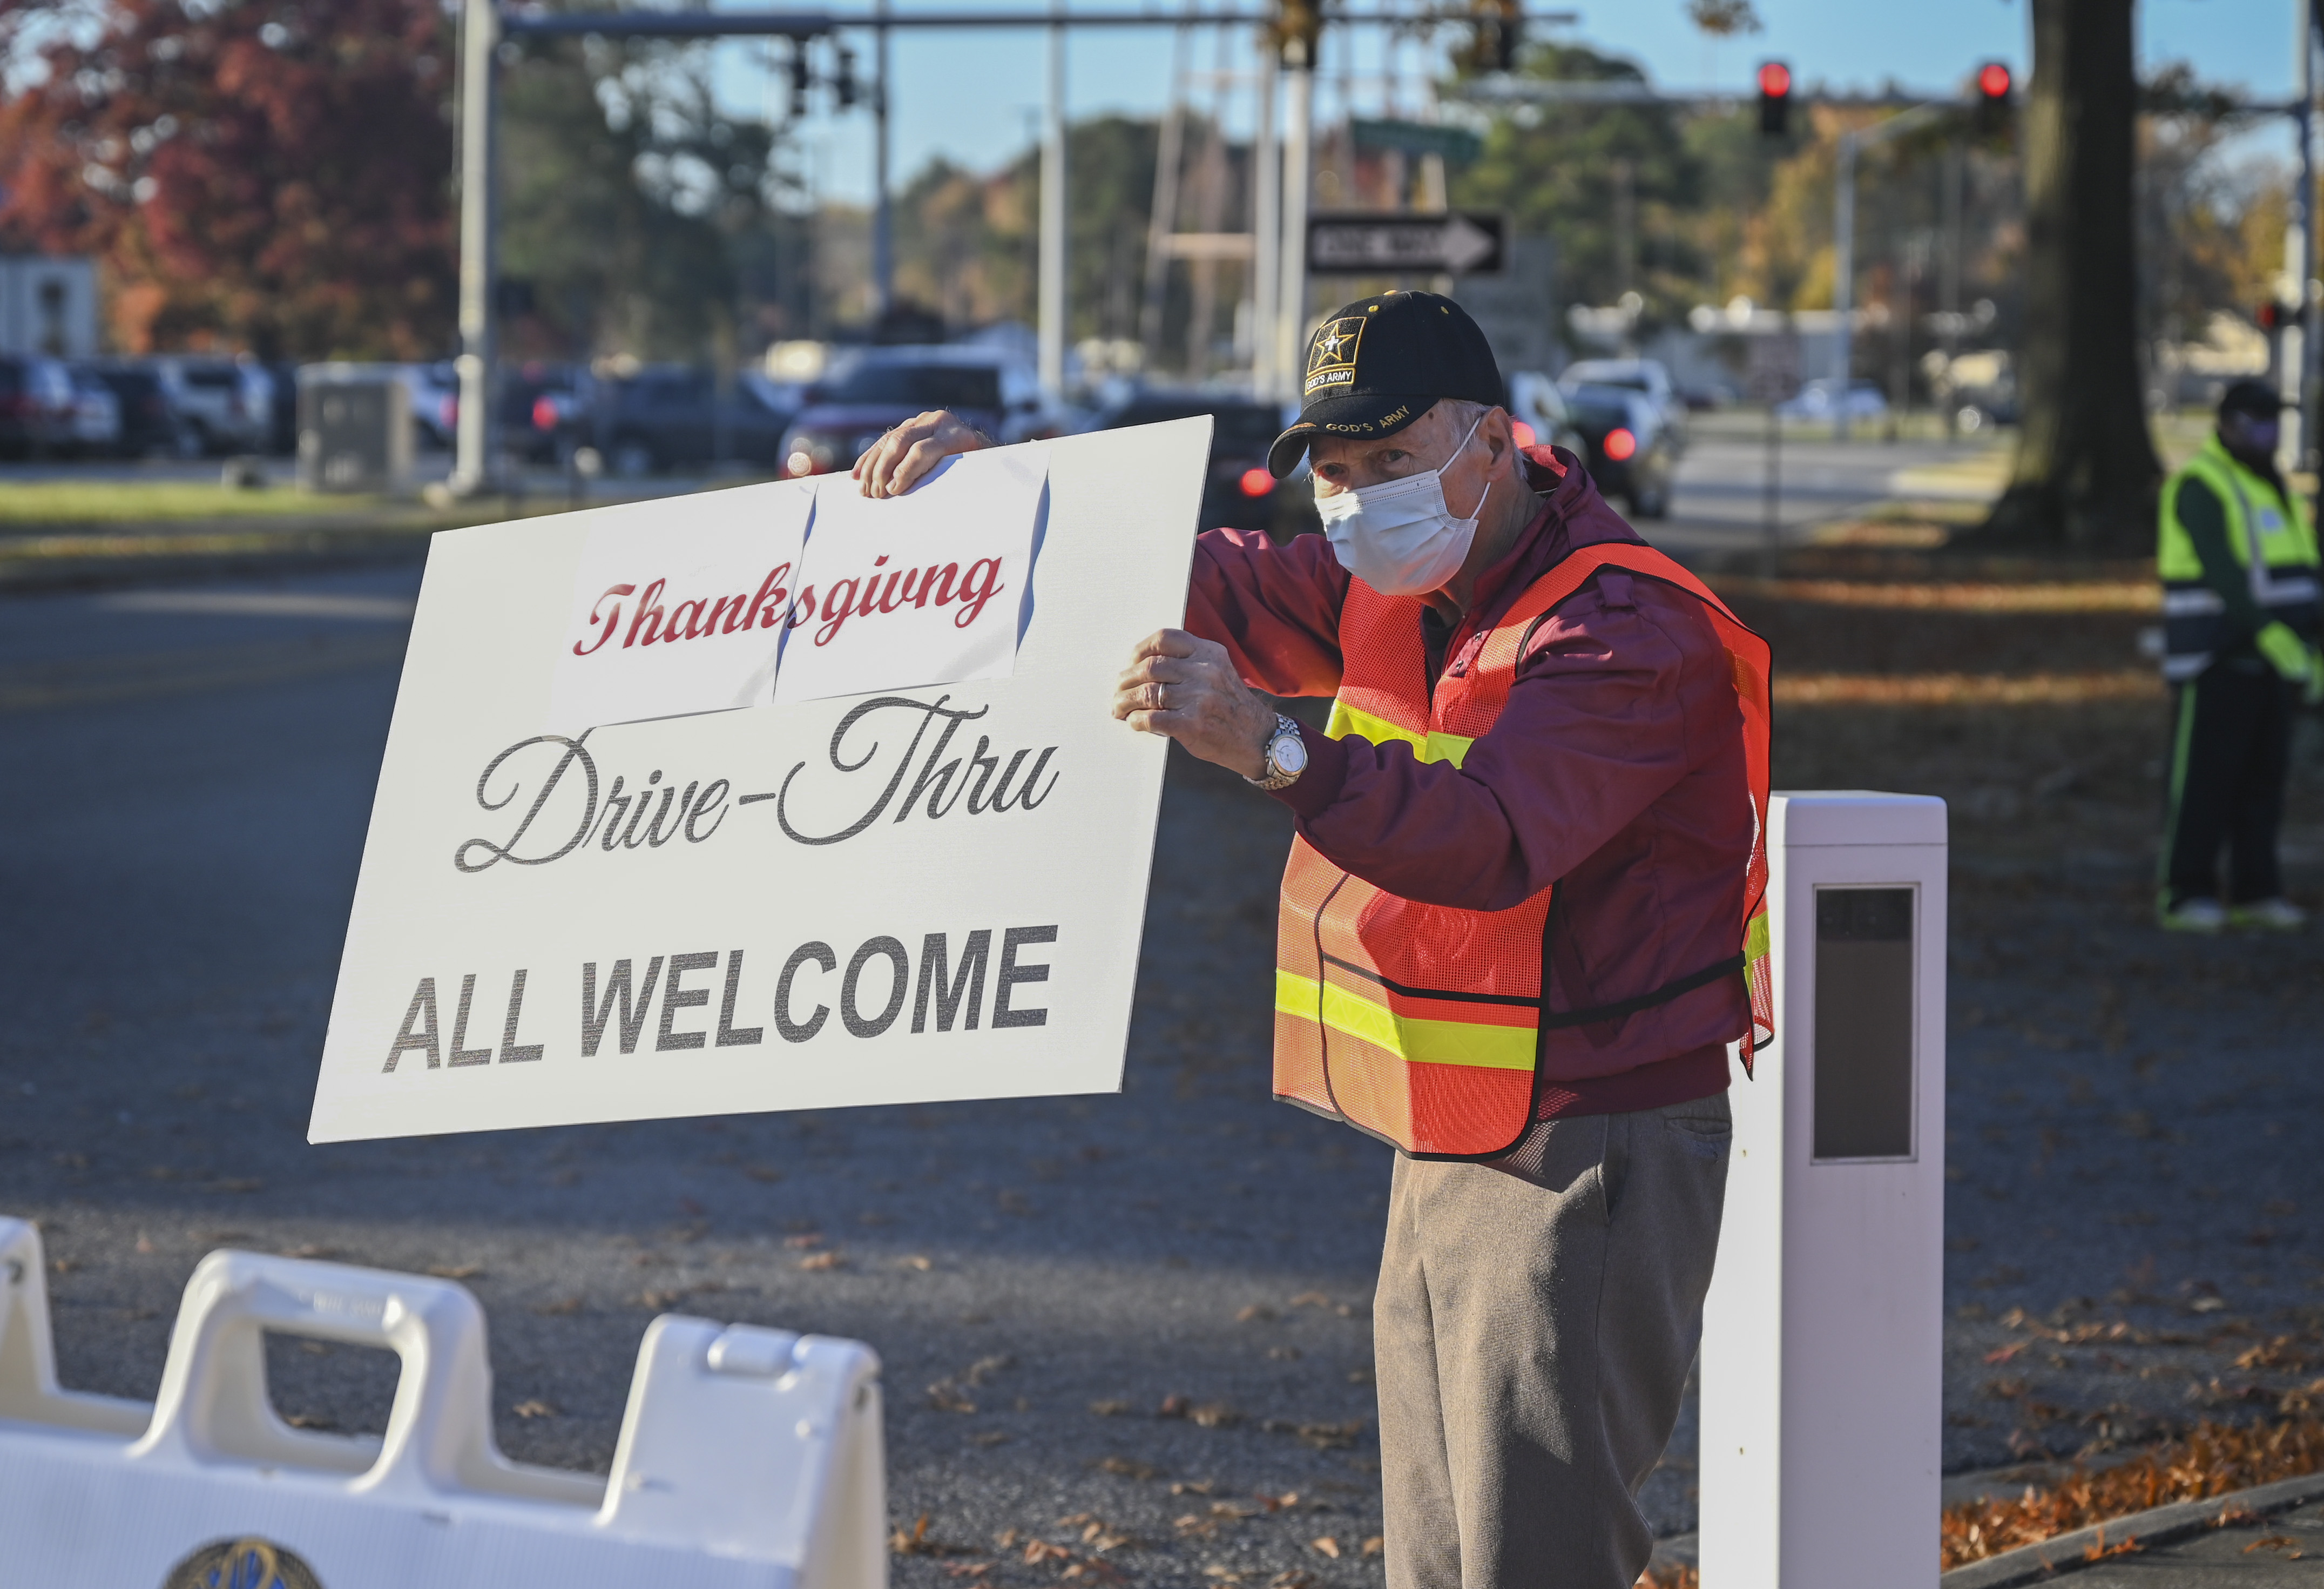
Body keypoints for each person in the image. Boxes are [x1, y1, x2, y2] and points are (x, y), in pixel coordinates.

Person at [855, 291, 1773, 1589]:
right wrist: (999, 498)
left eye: (1390, 458)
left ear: (1492, 441)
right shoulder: (1408, 581)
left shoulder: (1625, 627)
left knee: (1534, 1561)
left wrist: (1271, 745)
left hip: (1588, 1144)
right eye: (1334, 471)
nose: (1356, 499)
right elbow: (1199, 578)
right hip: (1457, 1122)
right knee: (1442, 1559)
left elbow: (1492, 838)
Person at [2154, 378, 2321, 934]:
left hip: (2275, 663)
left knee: (2263, 782)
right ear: (2226, 425)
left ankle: (2257, 890)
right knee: (2204, 782)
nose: (2266, 435)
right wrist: (2268, 632)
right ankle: (2186, 891)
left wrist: (2309, 643)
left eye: (2273, 423)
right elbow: (2223, 573)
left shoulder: (2273, 487)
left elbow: (2300, 570)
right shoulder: (2201, 485)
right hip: (2214, 659)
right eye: (2255, 423)